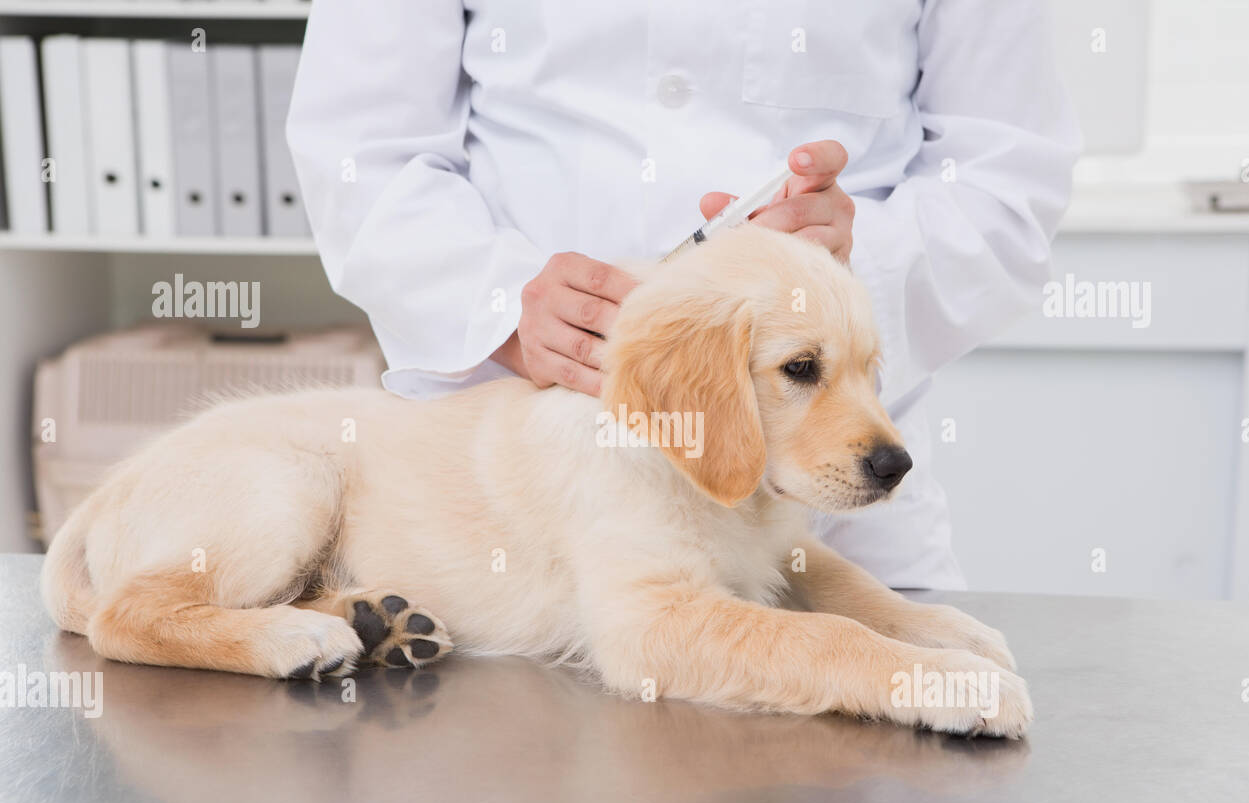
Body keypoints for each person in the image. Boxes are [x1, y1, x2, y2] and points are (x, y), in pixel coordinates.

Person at [287, 0, 1081, 589]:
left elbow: (1006, 187)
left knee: (867, 787)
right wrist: (496, 300)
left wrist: (843, 272)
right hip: (520, 493)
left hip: (837, 530)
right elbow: (358, 151)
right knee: (511, 782)